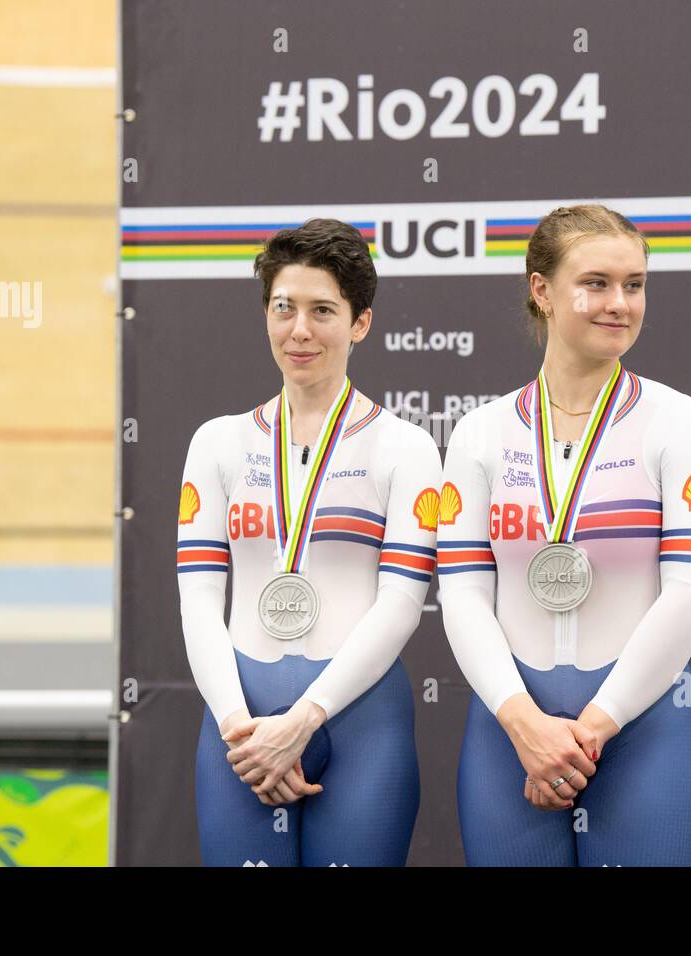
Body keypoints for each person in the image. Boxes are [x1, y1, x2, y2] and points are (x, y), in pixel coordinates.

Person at [437, 204, 691, 866]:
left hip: (642, 730)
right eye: (595, 282)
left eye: (635, 283)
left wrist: (590, 732)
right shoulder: (480, 432)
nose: (619, 303)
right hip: (508, 731)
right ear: (541, 290)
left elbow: (688, 597)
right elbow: (462, 596)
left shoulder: (680, 424)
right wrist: (525, 725)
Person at [177, 218, 439, 866]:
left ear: (360, 322)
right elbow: (199, 601)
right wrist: (244, 730)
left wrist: (301, 723)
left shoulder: (406, 447)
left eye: (323, 310)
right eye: (283, 308)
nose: (300, 330)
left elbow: (402, 605)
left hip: (358, 721)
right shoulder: (217, 443)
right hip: (239, 726)